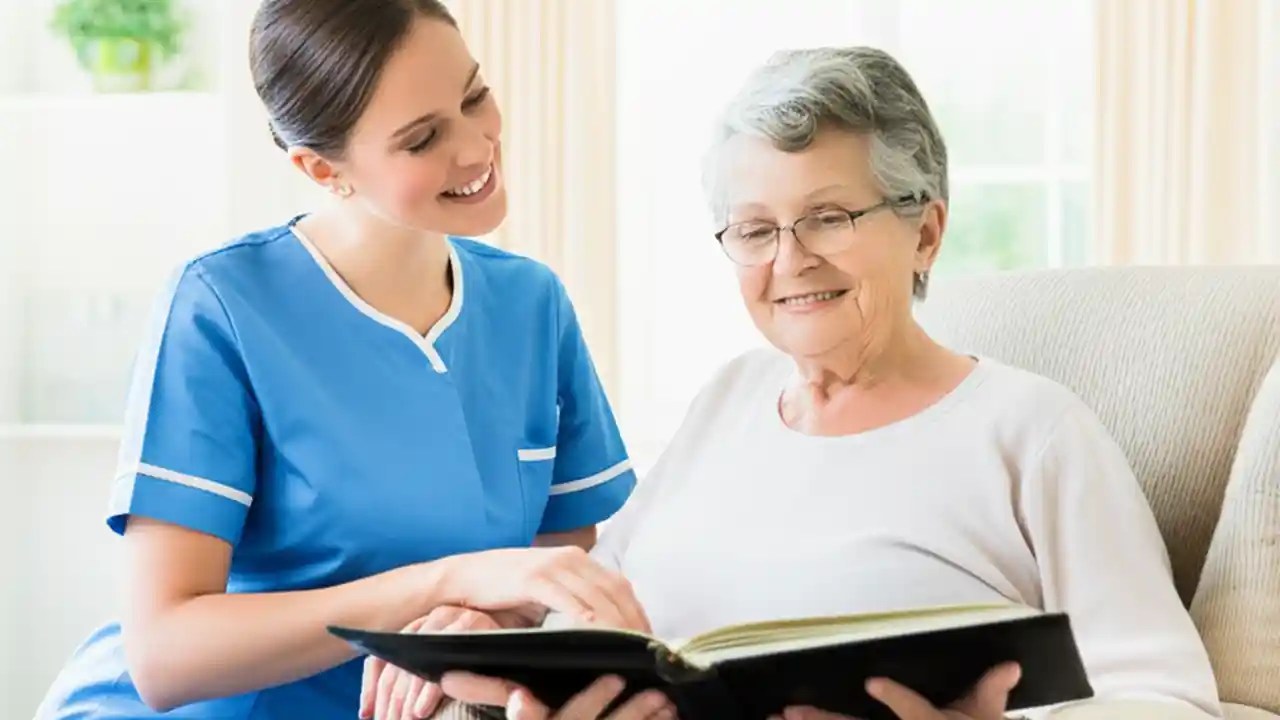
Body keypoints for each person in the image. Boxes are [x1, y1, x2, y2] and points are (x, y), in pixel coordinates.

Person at [428, 46, 1225, 720]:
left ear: (926, 232)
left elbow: (1167, 698)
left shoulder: (1031, 432)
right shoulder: (730, 398)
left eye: (829, 217)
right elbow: (589, 610)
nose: (790, 260)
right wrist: (498, 634)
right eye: (755, 229)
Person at [34, 2, 651, 719]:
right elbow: (165, 657)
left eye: (474, 96)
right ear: (322, 168)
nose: (476, 146)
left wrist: (486, 619)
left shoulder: (531, 304)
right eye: (422, 139)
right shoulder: (224, 306)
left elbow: (554, 578)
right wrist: (444, 585)